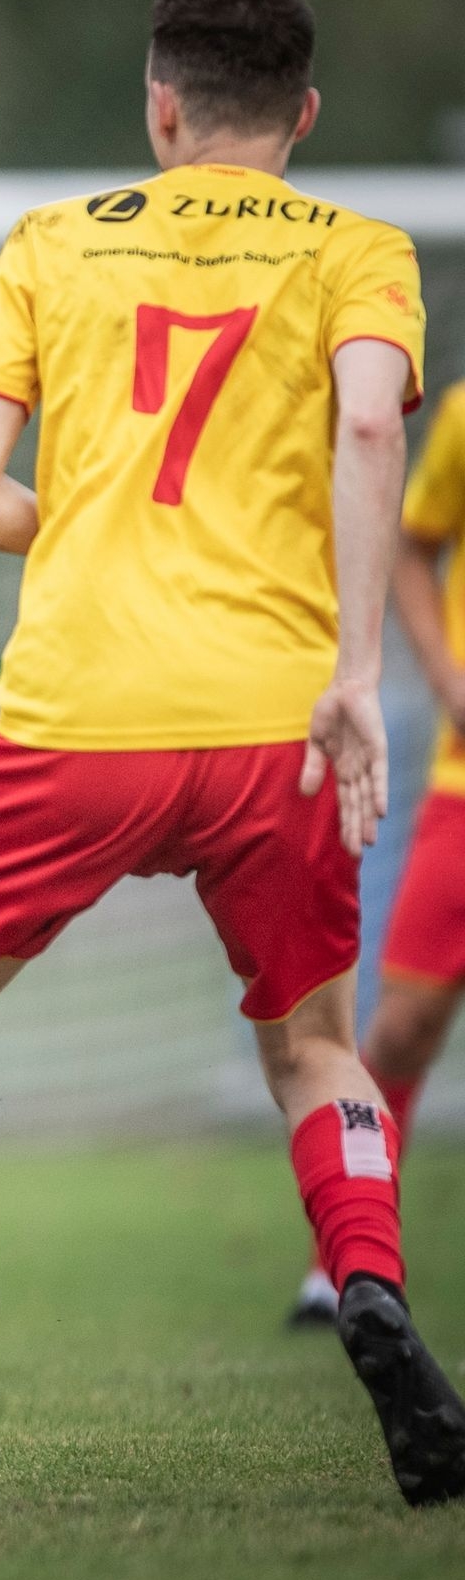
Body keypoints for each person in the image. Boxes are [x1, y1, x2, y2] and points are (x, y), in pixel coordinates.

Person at [0, 0, 465, 1509]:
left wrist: (100, 531)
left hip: (77, 718)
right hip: (280, 721)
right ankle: (369, 1286)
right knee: (317, 1045)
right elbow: (370, 426)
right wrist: (357, 672)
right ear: (304, 113)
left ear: (159, 106)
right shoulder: (363, 252)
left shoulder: (53, 242)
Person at [285, 376, 465, 1325]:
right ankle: (342, 1266)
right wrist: (446, 677)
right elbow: (415, 543)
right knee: (401, 1027)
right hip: (462, 787)